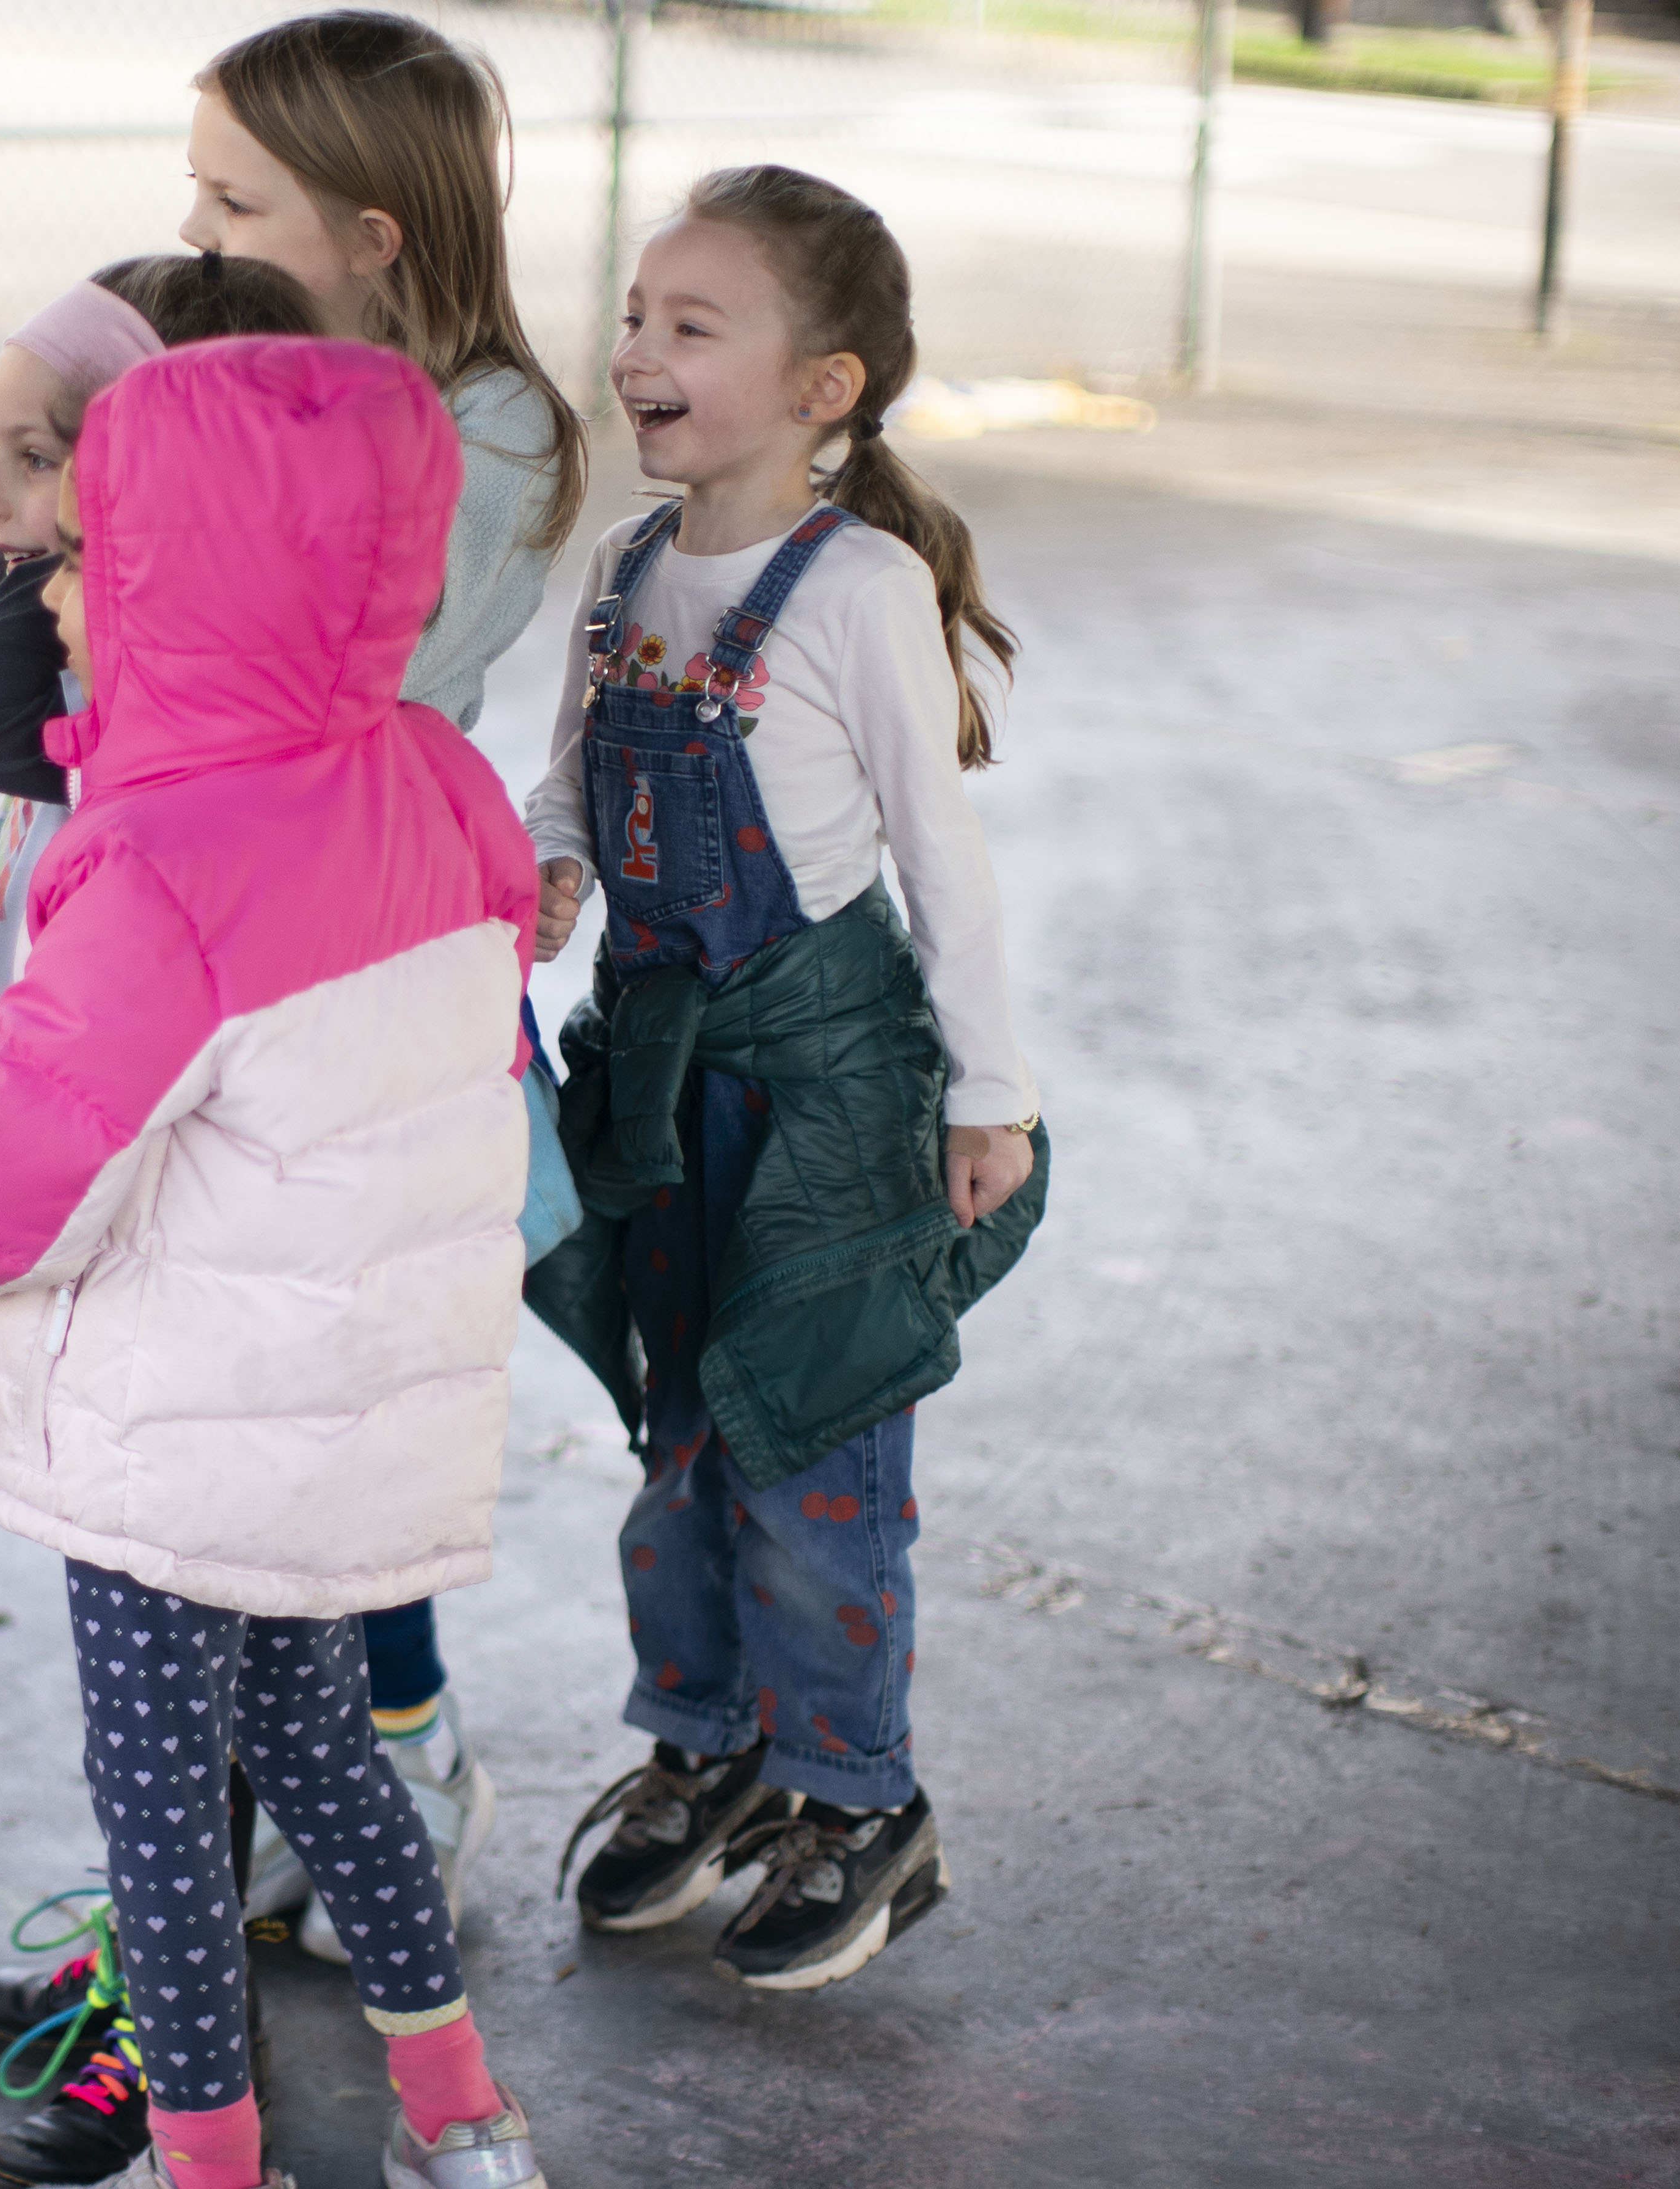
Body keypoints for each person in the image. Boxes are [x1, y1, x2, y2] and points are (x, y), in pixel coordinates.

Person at [0, 334, 544, 2189]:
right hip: (348, 1420)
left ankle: (207, 2161)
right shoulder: (432, 779)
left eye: (89, 556)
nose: (57, 591)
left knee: (161, 1817)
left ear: (178, 582)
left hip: (183, 1439)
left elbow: (14, 1186)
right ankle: (461, 2123)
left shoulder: (159, 861)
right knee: (329, 1760)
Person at [528, 165, 1050, 1992]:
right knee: (676, 1439)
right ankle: (706, 1744)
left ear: (823, 385)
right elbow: (567, 786)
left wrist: (982, 1095)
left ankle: (854, 1796)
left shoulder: (860, 588)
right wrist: (549, 875)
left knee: (812, 1448)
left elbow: (940, 860)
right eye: (632, 317)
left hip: (827, 1092)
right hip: (660, 1074)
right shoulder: (623, 572)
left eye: (690, 323)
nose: (636, 351)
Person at [172, 4, 587, 1967]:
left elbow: (321, 650)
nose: (196, 224)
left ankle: (398, 1762)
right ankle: (260, 1798)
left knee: (348, 1410)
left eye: (235, 197)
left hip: (378, 962)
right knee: (237, 1393)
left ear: (374, 230)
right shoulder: (246, 369)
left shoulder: (479, 433)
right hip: (245, 950)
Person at [0, 254, 321, 1098]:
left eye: (35, 459)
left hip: (79, 1160)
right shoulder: (65, 648)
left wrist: (121, 512)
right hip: (20, 1127)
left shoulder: (161, 708)